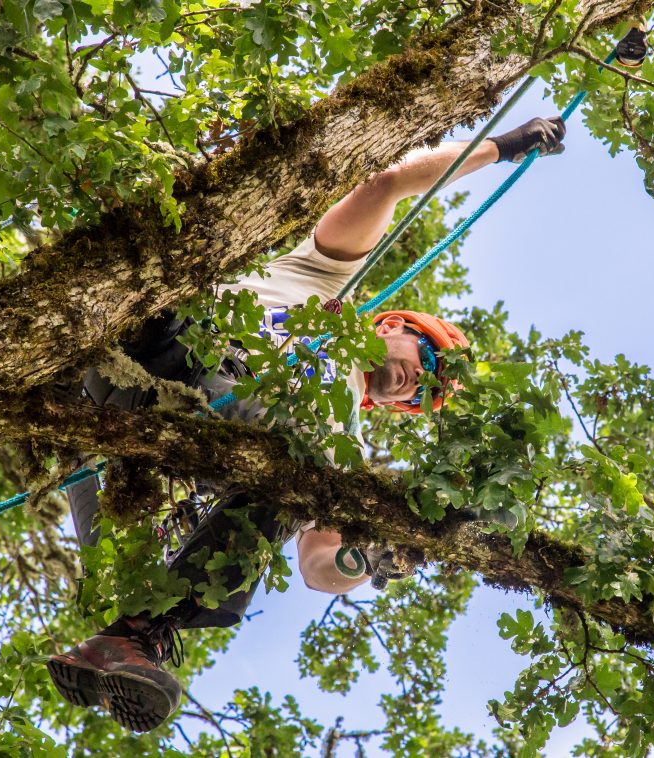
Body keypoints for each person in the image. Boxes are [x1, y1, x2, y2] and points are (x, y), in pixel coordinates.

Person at [45, 116, 567, 731]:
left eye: (421, 398)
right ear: (395, 326)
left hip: (129, 442)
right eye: (425, 363)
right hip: (175, 344)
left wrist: (364, 561)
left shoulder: (339, 445)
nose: (413, 385)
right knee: (292, 451)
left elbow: (316, 562)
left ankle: (131, 635)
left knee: (268, 496)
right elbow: (385, 183)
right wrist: (504, 146)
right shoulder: (327, 277)